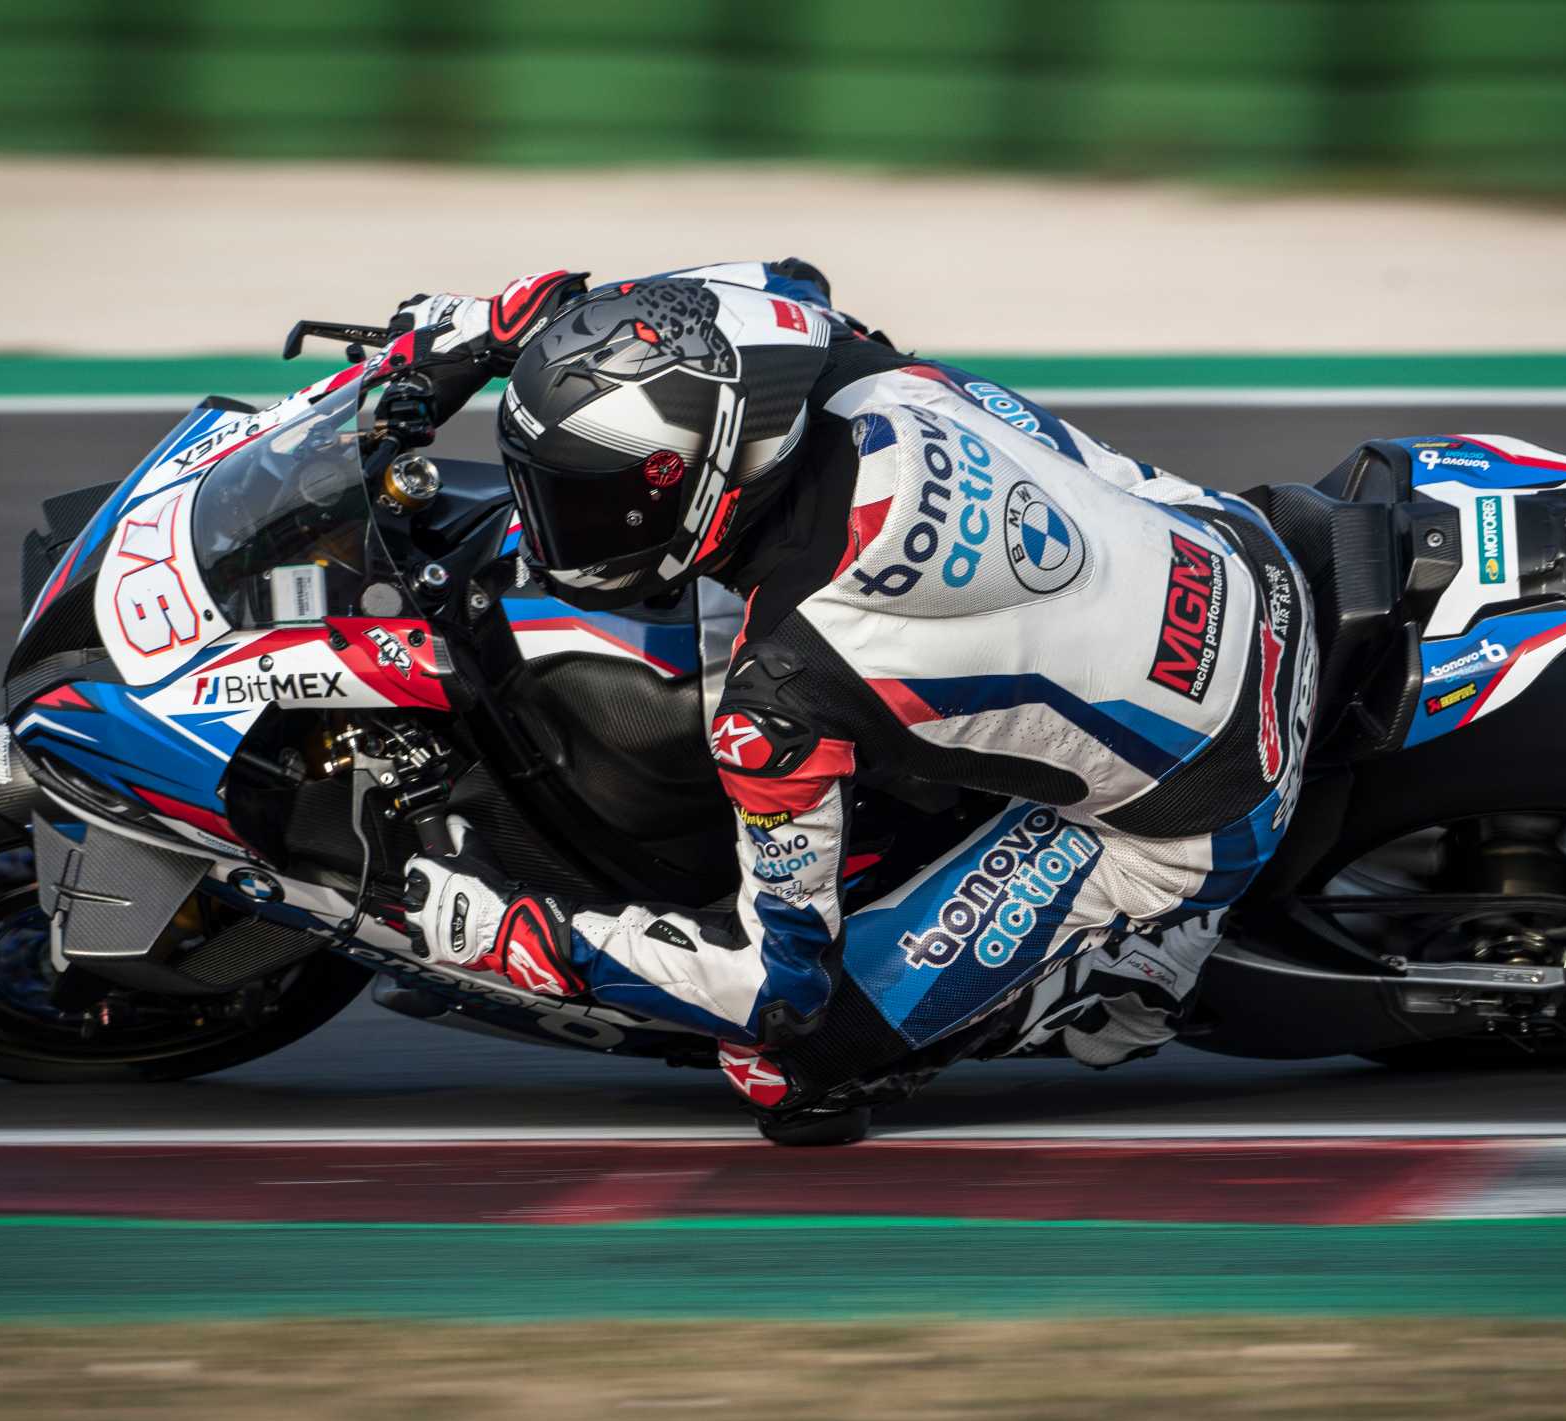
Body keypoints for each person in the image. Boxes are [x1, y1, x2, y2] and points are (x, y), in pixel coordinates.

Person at [386, 261, 1317, 1141]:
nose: (555, 526)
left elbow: (774, 986)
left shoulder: (782, 692)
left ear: (696, 478)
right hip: (1238, 551)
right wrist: (517, 327)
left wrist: (527, 939)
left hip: (1213, 790)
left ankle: (1138, 965)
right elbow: (739, 288)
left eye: (586, 501)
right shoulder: (829, 355)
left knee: (788, 1066)